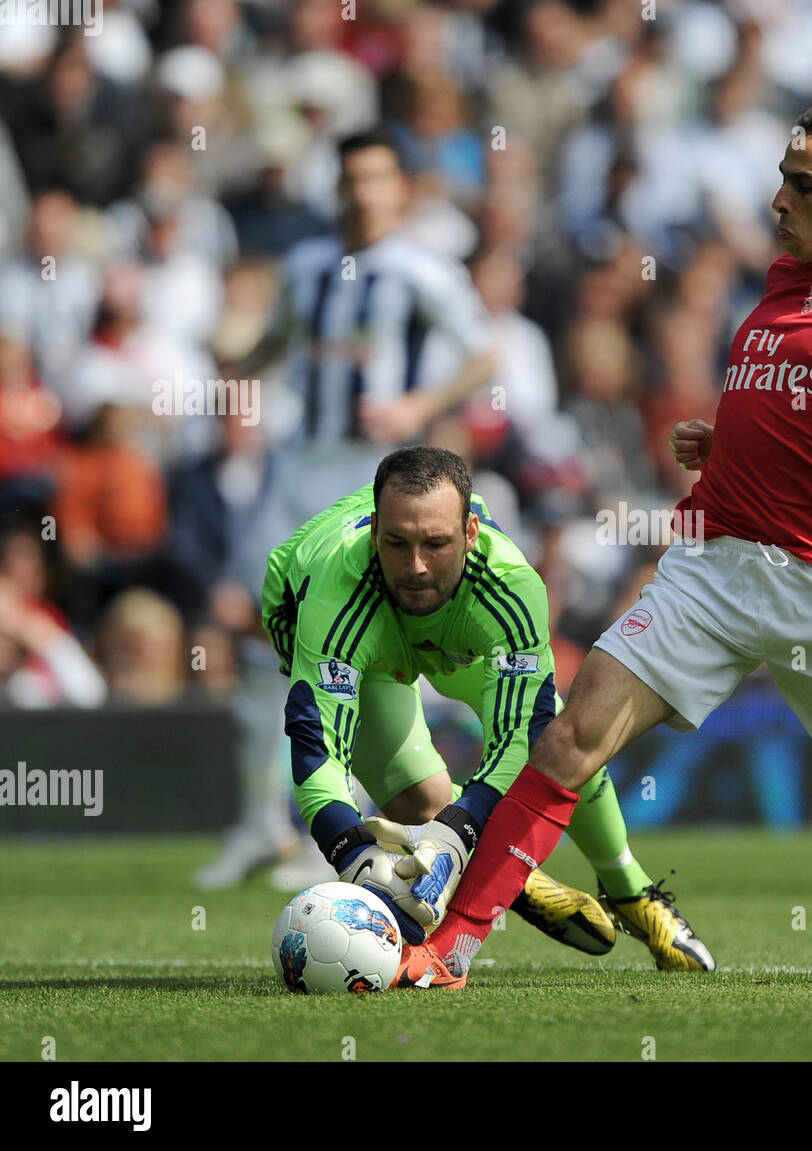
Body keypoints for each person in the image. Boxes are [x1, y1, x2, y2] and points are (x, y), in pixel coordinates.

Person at [408, 63, 812, 988]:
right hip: (712, 570)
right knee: (567, 739)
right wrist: (727, 439)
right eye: (781, 177)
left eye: (804, 185)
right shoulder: (780, 290)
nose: (779, 199)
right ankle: (449, 950)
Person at [261, 445, 714, 987]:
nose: (416, 567)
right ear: (375, 528)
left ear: (470, 532)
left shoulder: (511, 587)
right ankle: (512, 877)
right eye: (397, 543)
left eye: (437, 544)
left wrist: (458, 832)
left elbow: (521, 739)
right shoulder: (332, 597)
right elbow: (319, 751)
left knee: (568, 741)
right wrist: (350, 849)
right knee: (420, 804)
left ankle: (631, 891)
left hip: (459, 631)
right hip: (335, 621)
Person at [195, 125, 496, 890]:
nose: (362, 192)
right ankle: (258, 823)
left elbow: (485, 354)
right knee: (260, 640)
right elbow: (279, 343)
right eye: (351, 178)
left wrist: (416, 405)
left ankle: (331, 830)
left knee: (353, 655)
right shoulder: (305, 267)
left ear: (400, 188)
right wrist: (235, 359)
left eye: (376, 178)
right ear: (337, 188)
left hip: (373, 482)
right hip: (297, 473)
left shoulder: (422, 271)